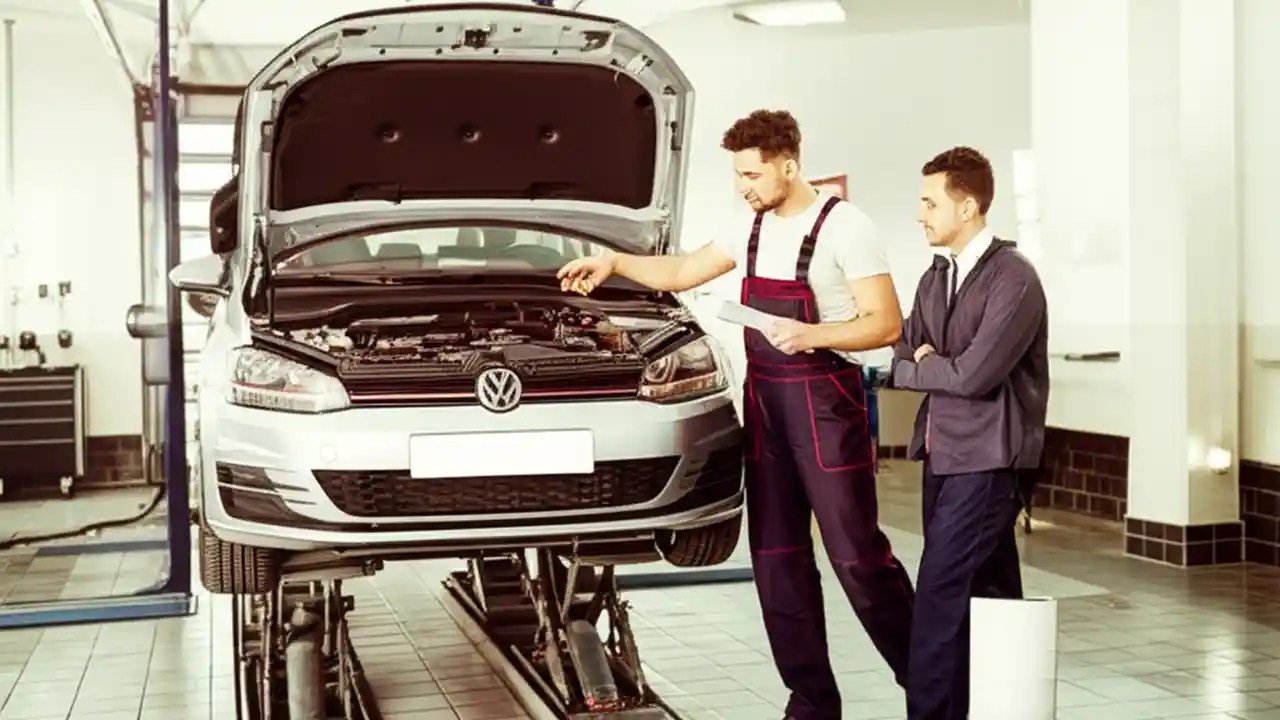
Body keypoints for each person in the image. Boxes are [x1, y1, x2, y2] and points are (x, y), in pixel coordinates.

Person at [558, 109, 915, 719]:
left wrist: (811, 335)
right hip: (767, 408)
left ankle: (930, 683)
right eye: (738, 174)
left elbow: (885, 323)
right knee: (776, 560)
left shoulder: (845, 227)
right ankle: (811, 701)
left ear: (789, 165)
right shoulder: (747, 225)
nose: (743, 185)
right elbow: (680, 271)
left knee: (857, 556)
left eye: (752, 173)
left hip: (827, 405)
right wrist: (614, 262)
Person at [890, 146, 1049, 720]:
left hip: (988, 459)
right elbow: (902, 355)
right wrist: (927, 364)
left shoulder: (1015, 278)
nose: (920, 214)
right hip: (940, 453)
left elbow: (976, 375)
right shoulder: (937, 276)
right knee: (991, 593)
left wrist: (928, 365)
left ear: (969, 205)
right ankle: (1005, 706)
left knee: (938, 595)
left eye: (930, 202)